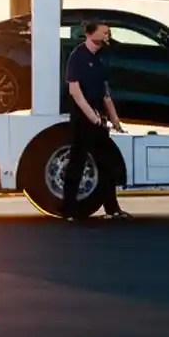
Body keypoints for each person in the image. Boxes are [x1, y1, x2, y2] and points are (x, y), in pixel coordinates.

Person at [61, 20, 131, 221]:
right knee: (77, 162)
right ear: (91, 34)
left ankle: (112, 209)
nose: (108, 33)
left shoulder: (101, 58)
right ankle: (69, 211)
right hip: (82, 119)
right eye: (104, 31)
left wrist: (115, 120)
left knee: (107, 163)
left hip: (98, 120)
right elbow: (75, 90)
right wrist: (91, 116)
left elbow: (105, 93)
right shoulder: (78, 56)